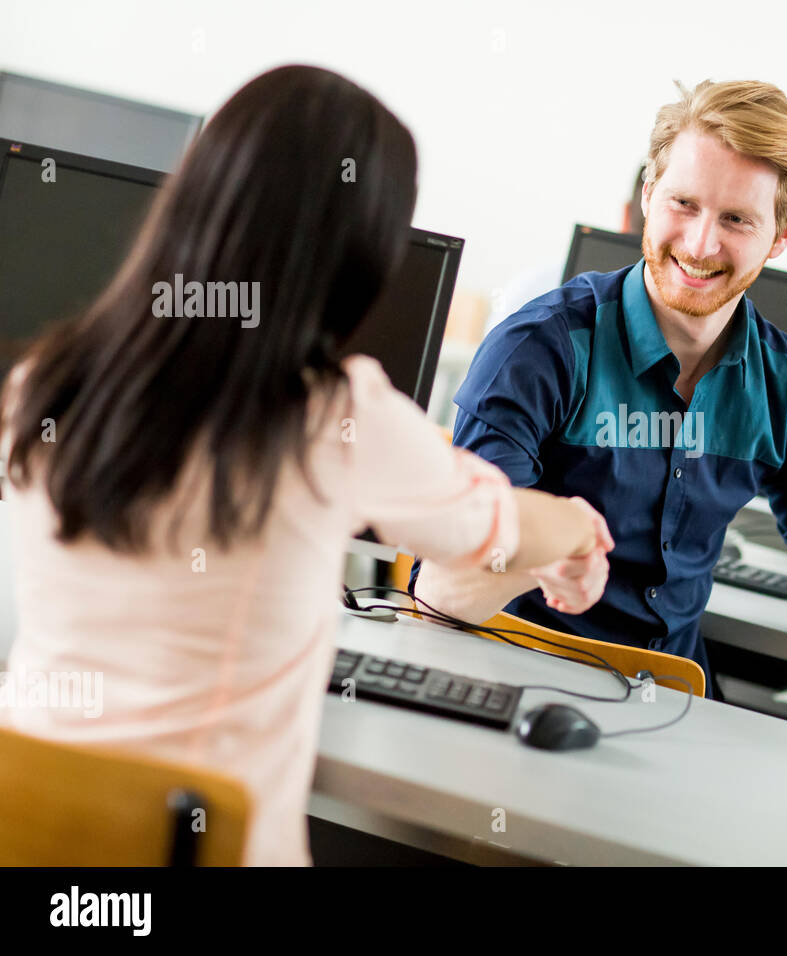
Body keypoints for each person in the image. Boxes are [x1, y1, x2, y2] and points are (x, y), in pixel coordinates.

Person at [0, 65, 608, 865]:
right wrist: (574, 525)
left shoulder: (43, 380)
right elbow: (485, 530)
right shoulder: (335, 412)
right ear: (359, 252)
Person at [410, 79, 787, 752]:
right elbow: (441, 591)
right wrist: (545, 550)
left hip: (669, 709)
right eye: (684, 204)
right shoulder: (544, 348)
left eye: (738, 220)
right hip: (507, 683)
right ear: (649, 195)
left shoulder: (785, 386)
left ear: (781, 237)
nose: (701, 244)